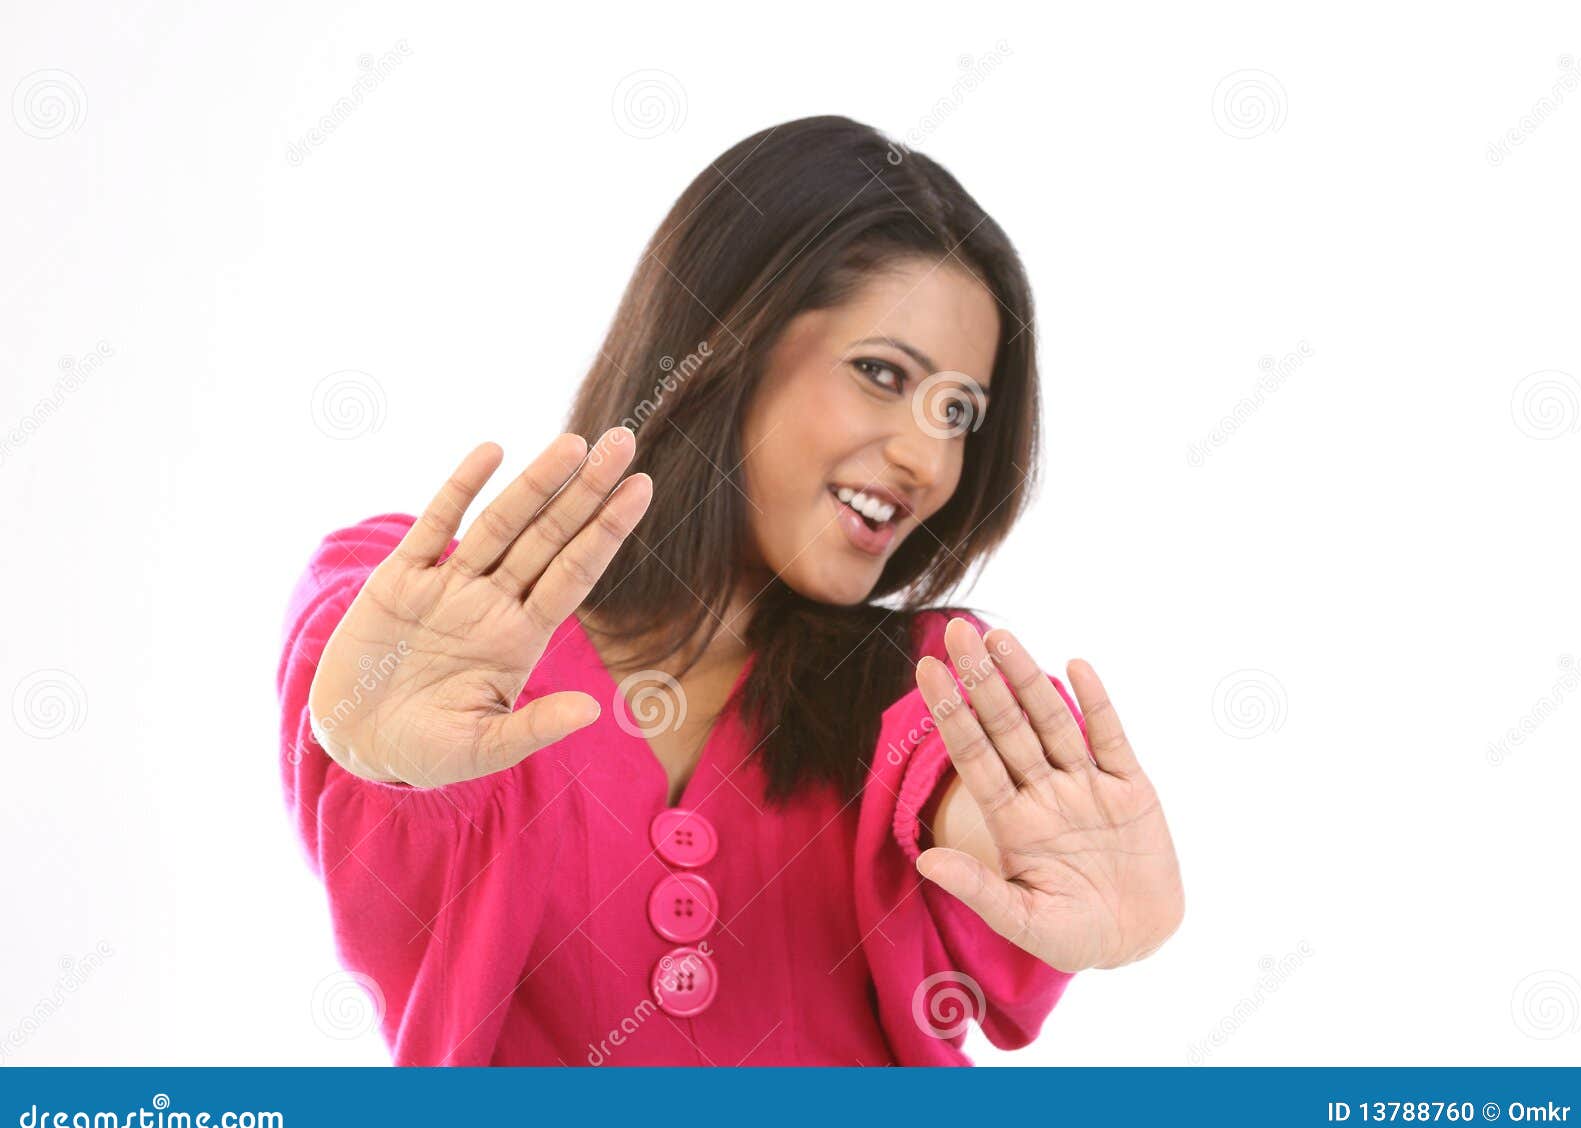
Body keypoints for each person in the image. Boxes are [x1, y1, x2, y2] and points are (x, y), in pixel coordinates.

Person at [276, 115, 1184, 1066]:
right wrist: (375, 743)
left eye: (959, 412)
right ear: (718, 344)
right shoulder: (440, 618)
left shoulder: (925, 679)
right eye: (882, 373)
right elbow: (366, 712)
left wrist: (1039, 846)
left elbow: (963, 791)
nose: (929, 457)